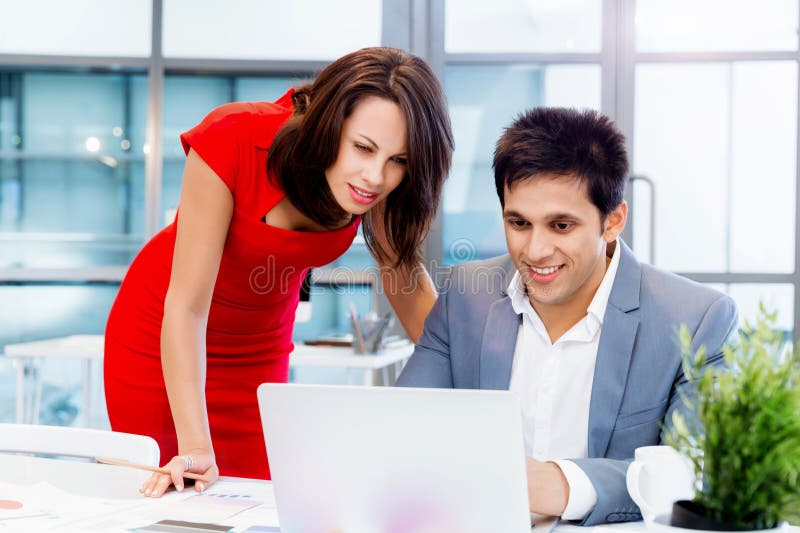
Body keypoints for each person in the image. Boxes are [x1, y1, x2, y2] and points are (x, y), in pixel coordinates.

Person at [104, 47, 454, 497]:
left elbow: (406, 284)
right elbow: (187, 306)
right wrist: (195, 444)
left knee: (259, 501)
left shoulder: (382, 181)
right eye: (362, 148)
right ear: (332, 124)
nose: (374, 176)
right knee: (172, 494)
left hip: (259, 348)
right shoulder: (235, 137)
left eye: (399, 160)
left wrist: (470, 391)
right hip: (163, 332)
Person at [395, 107, 738, 525]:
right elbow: (403, 436)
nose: (535, 250)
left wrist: (562, 484)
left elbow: (697, 475)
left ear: (613, 222)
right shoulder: (465, 296)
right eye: (519, 222)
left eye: (560, 226)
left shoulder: (696, 319)